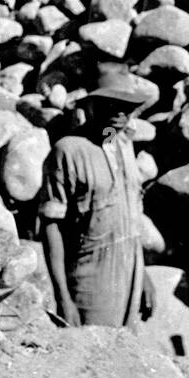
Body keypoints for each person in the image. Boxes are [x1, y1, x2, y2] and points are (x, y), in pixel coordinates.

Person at [39, 86, 152, 328]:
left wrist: (144, 274)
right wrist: (63, 299)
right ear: (91, 106)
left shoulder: (124, 145)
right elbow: (51, 225)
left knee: (124, 355)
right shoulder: (68, 150)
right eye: (110, 105)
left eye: (127, 107)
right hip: (90, 276)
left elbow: (130, 214)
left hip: (131, 270)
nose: (120, 113)